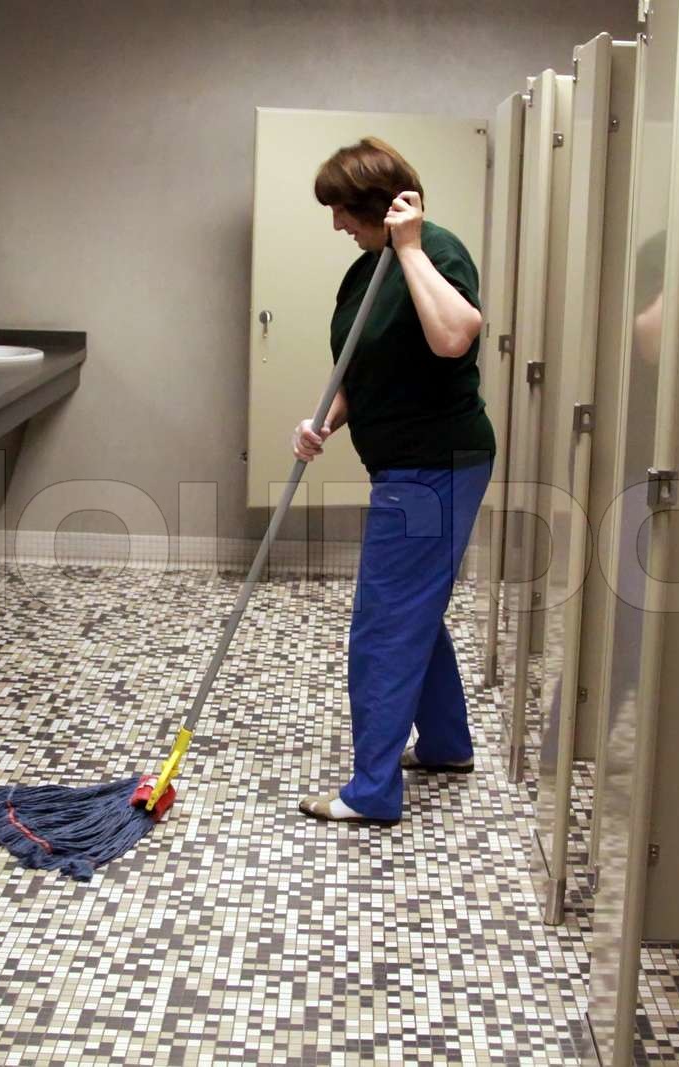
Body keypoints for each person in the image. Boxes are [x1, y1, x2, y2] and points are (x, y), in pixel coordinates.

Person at [294, 137, 496, 825]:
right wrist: (325, 418)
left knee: (384, 622)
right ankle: (446, 745)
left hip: (434, 466)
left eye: (345, 209)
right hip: (403, 463)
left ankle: (372, 791)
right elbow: (365, 371)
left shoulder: (434, 252)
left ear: (382, 206)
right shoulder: (364, 270)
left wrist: (408, 249)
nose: (336, 224)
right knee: (414, 609)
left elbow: (453, 337)